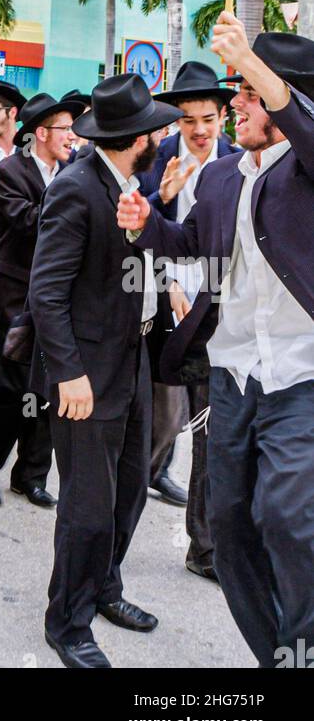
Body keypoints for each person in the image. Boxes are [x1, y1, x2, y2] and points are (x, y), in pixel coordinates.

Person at [118, 15, 314, 670]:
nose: (236, 105)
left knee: (286, 516)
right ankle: (281, 657)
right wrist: (149, 225)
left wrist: (253, 61)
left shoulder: (308, 166)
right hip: (230, 376)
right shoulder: (223, 176)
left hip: (300, 379)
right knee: (227, 533)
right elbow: (190, 248)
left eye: (250, 95)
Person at [29, 73, 182, 668]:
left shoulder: (132, 183)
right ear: (135, 137)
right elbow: (47, 292)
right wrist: (68, 373)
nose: (162, 135)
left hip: (133, 358)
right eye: (155, 129)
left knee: (128, 494)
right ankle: (67, 621)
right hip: (86, 373)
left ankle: (105, 589)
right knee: (88, 506)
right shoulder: (76, 188)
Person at [138, 60, 237, 567]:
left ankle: (204, 546)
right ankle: (133, 489)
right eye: (188, 120)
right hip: (155, 305)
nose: (199, 130)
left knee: (207, 426)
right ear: (174, 120)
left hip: (213, 318)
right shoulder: (154, 160)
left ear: (224, 117)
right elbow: (131, 230)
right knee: (161, 420)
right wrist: (166, 281)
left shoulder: (240, 165)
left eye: (209, 119)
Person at [0, 92, 85, 509]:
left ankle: (31, 475)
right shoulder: (10, 173)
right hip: (16, 297)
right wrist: (72, 202)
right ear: (41, 133)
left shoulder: (72, 171)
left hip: (60, 299)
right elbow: (25, 222)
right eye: (64, 129)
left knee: (50, 391)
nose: (72, 136)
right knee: (13, 390)